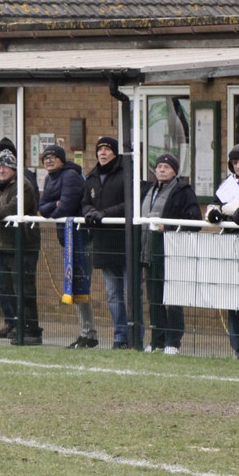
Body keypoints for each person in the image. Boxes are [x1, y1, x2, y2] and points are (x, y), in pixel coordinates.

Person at [38, 144, 98, 349]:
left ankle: (89, 333)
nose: (48, 160)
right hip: (66, 238)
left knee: (82, 285)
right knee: (76, 286)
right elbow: (43, 207)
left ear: (62, 160)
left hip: (81, 238)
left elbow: (65, 207)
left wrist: (55, 206)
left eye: (53, 157)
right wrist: (53, 206)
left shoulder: (70, 176)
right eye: (45, 157)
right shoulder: (49, 179)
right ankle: (86, 332)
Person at [140, 152, 201, 354]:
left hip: (172, 253)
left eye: (166, 167)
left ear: (175, 170)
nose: (161, 170)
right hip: (149, 252)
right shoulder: (148, 189)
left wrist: (170, 226)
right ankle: (158, 340)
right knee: (155, 299)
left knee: (173, 299)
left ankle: (173, 342)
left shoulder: (184, 190)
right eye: (158, 167)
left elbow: (194, 219)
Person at [0, 149, 42, 345]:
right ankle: (13, 324)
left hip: (22, 246)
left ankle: (31, 330)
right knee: (4, 288)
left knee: (24, 289)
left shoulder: (23, 185)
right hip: (0, 245)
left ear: (14, 169)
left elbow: (13, 208)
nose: (1, 170)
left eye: (5, 166)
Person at [82, 136, 131, 349]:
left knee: (131, 294)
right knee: (113, 294)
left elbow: (129, 203)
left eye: (107, 149)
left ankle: (133, 336)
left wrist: (105, 213)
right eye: (99, 149)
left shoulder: (125, 173)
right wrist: (91, 212)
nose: (102, 153)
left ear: (115, 152)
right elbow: (84, 203)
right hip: (103, 243)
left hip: (126, 242)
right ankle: (119, 337)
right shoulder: (91, 177)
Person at [206, 144, 239, 358]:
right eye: (235, 163)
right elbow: (215, 206)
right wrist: (214, 213)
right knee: (232, 299)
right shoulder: (226, 187)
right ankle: (236, 347)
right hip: (231, 246)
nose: (238, 166)